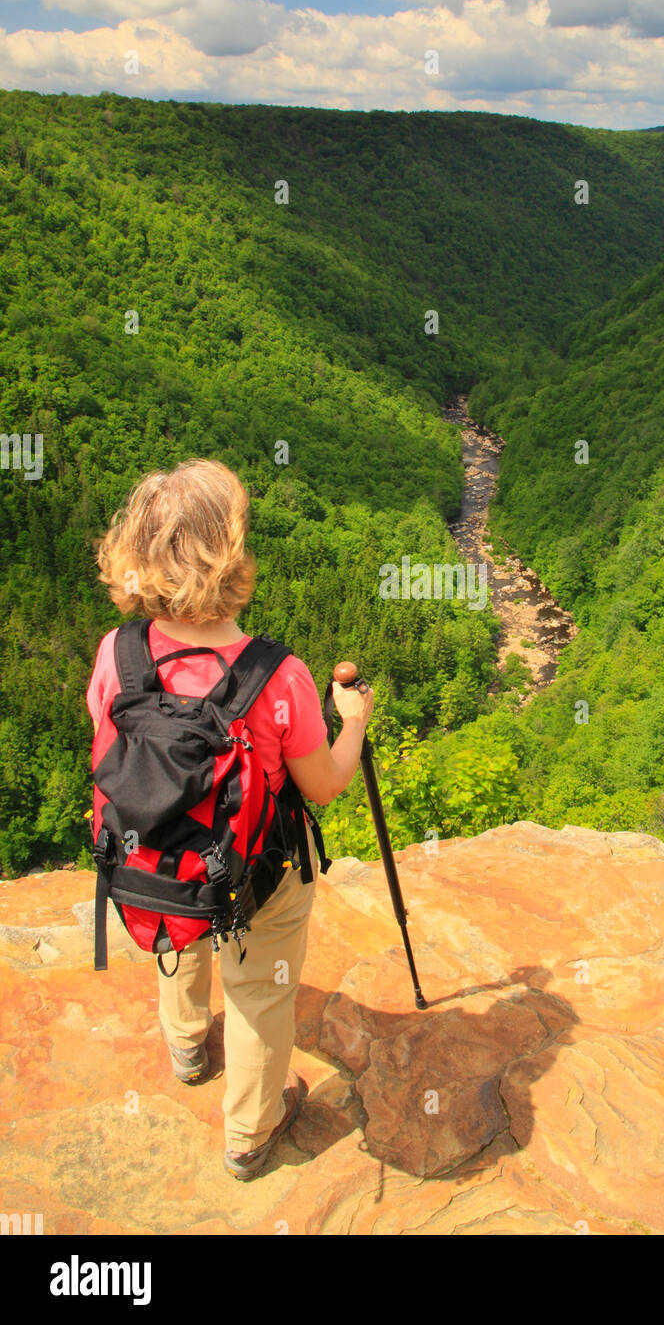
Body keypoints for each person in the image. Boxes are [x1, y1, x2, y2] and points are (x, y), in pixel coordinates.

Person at [85, 457, 374, 1180]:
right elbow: (325, 782)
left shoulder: (117, 656)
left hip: (151, 862)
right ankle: (250, 1134)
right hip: (256, 872)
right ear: (233, 554)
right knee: (258, 990)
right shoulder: (278, 675)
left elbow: (112, 744)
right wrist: (355, 722)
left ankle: (186, 1045)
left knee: (175, 915)